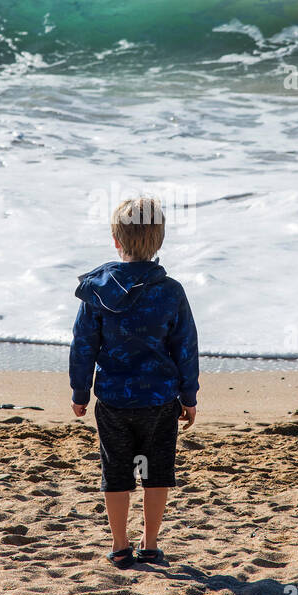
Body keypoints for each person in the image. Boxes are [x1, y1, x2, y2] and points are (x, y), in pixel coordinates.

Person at [69, 197, 198, 568]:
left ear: (115, 240)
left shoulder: (97, 290)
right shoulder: (170, 291)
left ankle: (120, 545)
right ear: (159, 241)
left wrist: (80, 391)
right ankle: (151, 544)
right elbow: (185, 347)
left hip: (112, 398)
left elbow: (83, 345)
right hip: (159, 399)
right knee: (157, 471)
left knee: (116, 471)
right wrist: (188, 395)